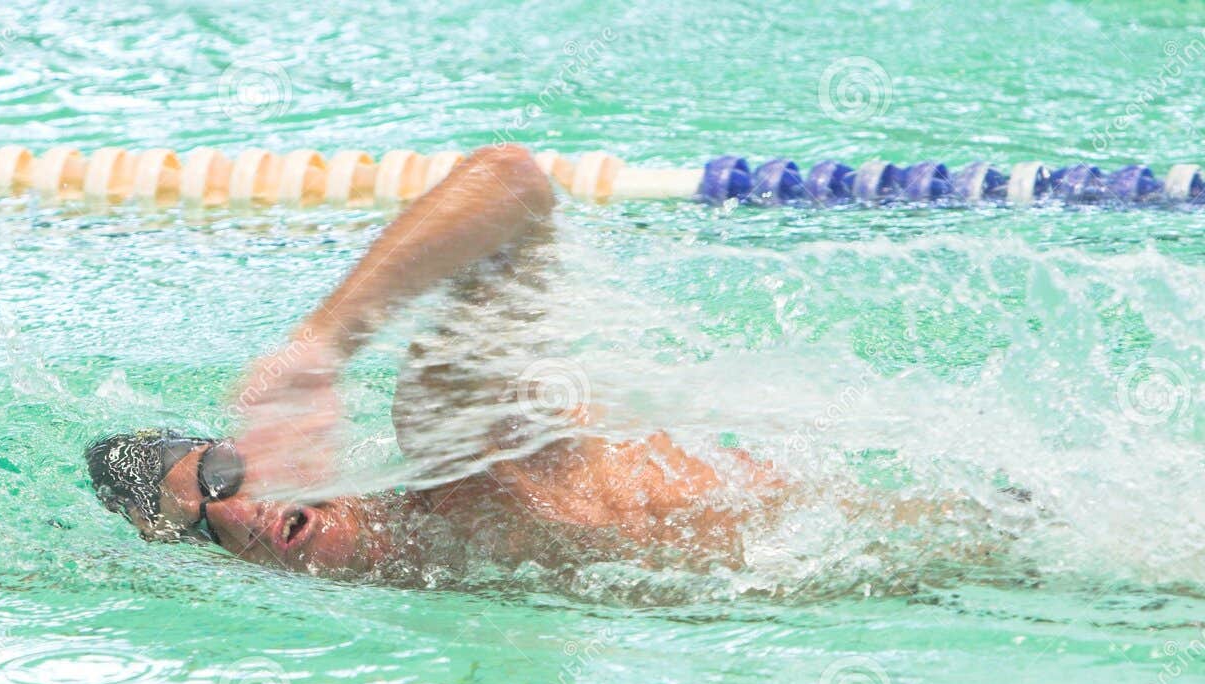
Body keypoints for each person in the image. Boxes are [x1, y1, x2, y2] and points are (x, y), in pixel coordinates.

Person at [86, 144, 786, 584]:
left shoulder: (456, 453)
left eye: (220, 475)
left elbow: (513, 181)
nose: (239, 514)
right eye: (205, 525)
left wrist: (321, 344)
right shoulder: (434, 582)